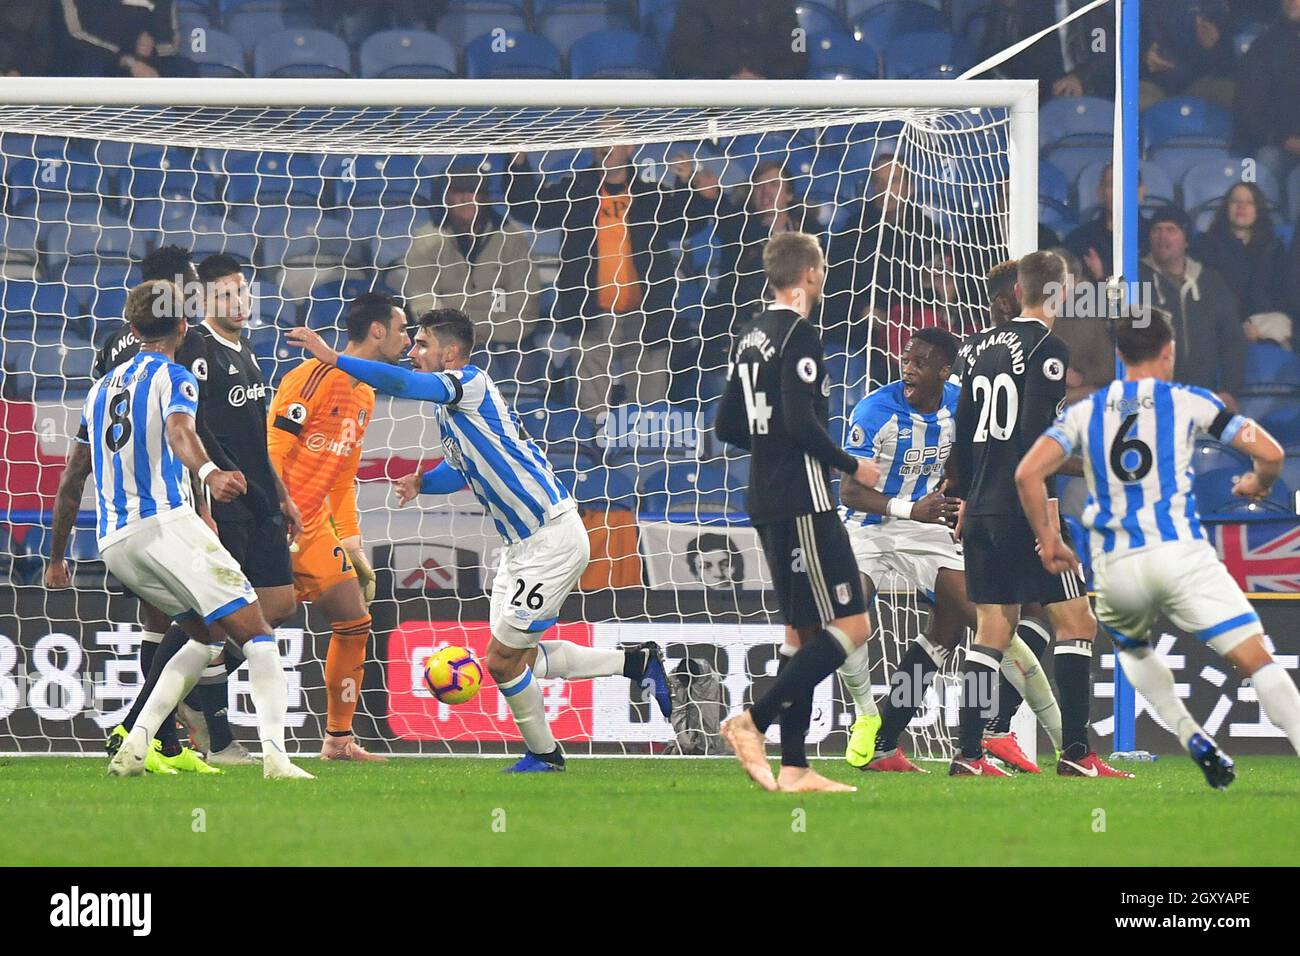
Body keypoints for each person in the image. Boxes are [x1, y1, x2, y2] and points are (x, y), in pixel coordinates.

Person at [286, 309, 673, 773]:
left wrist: (335, 358)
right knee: (517, 657)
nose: (413, 352)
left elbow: (403, 386)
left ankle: (546, 755)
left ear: (449, 353)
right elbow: (460, 469)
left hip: (552, 537)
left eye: (422, 344)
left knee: (502, 661)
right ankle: (637, 662)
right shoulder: (451, 413)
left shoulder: (469, 382)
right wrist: (422, 483)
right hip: (519, 548)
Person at [1016, 308, 1300, 786]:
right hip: (1179, 553)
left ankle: (1190, 732)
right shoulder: (1190, 400)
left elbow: (1027, 472)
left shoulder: (1088, 409)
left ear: (1120, 355)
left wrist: (1048, 542)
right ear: (1168, 351)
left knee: (1133, 648)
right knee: (1256, 659)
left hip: (1116, 566)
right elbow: (1270, 452)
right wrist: (1257, 481)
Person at [92, 280, 311, 780]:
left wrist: (59, 551)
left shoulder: (102, 387)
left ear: (131, 328)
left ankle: (135, 743)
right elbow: (181, 432)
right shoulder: (177, 375)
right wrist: (211, 475)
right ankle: (277, 758)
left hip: (113, 540)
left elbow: (75, 472)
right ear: (185, 326)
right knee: (257, 632)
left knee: (203, 636)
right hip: (168, 525)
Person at [838, 328, 1063, 775]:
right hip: (871, 527)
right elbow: (848, 492)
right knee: (848, 617)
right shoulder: (873, 411)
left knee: (979, 626)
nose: (908, 368)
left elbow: (965, 459)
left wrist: (959, 497)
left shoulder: (959, 404)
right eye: (906, 359)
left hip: (926, 531)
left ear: (944, 370)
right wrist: (910, 508)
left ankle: (1062, 743)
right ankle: (868, 718)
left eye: (920, 362)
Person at [713, 232, 882, 793]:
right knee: (852, 624)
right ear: (810, 274)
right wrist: (851, 465)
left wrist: (770, 449)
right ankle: (752, 721)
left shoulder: (751, 335)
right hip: (804, 500)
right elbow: (800, 420)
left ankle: (795, 767)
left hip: (763, 495)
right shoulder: (799, 334)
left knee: (802, 630)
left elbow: (728, 427)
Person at [950, 251, 1125, 778]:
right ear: (1059, 292)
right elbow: (1034, 445)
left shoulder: (975, 348)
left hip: (980, 509)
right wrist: (1048, 527)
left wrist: (961, 502)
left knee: (993, 629)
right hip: (1026, 513)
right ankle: (1076, 754)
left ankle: (968, 753)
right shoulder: (1049, 349)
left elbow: (961, 435)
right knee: (1077, 623)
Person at [47, 245, 219, 773]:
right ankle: (148, 726)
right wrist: (207, 492)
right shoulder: (184, 344)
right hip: (169, 502)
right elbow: (184, 429)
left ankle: (161, 739)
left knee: (157, 619)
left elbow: (83, 457)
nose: (197, 289)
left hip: (118, 513)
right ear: (172, 292)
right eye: (190, 281)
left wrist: (58, 553)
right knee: (224, 621)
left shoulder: (109, 350)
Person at [266, 293, 405, 762]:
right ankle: (190, 715)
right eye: (402, 330)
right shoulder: (311, 377)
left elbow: (342, 477)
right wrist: (278, 510)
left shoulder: (365, 393)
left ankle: (338, 742)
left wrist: (352, 542)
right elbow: (273, 450)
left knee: (355, 620)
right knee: (245, 628)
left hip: (316, 527)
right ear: (377, 330)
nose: (407, 341)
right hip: (273, 520)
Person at [505, 145, 719, 414]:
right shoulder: (577, 191)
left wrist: (690, 187)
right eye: (600, 140)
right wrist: (519, 162)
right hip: (591, 313)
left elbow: (685, 223)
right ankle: (593, 450)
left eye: (613, 139)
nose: (606, 147)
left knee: (649, 408)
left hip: (646, 316)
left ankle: (645, 454)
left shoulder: (649, 194)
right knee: (592, 409)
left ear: (628, 146)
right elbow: (528, 208)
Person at [404, 166, 542, 384]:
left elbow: (525, 299)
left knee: (521, 368)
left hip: (505, 340)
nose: (465, 199)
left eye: (473, 192)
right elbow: (422, 299)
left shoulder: (511, 238)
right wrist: (452, 337)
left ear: (485, 197)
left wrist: (491, 334)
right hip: (445, 342)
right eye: (457, 192)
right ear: (446, 197)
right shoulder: (426, 240)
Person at [1140, 206, 1246, 407]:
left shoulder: (1211, 281)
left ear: (1186, 239)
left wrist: (1229, 390)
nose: (1163, 236)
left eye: (1171, 230)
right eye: (1157, 230)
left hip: (1203, 397)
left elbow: (1233, 340)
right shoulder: (1134, 278)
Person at [1191, 181, 1292, 323]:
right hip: (1223, 321)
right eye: (1235, 201)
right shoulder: (1205, 245)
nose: (1241, 207)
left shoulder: (1274, 247)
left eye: (1249, 202)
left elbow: (1282, 293)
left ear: (1258, 209)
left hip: (1266, 320)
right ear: (1226, 208)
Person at [976, 0, 1114, 100]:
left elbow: (1103, 50)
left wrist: (1080, 77)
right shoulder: (1024, 11)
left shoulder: (1093, 8)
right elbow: (1000, 60)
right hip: (1039, 99)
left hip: (1091, 95)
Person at [1232, 0, 1300, 181]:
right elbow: (1248, 113)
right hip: (1281, 146)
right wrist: (1285, 140)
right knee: (1268, 161)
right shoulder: (1265, 47)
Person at [665, 0, 806, 80]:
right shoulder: (696, 5)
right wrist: (728, 75)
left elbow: (798, 54)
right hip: (713, 97)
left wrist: (764, 78)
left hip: (772, 96)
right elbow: (682, 55)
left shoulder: (781, 6)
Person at [60, 0, 196, 78]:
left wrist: (152, 46)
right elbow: (76, 35)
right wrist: (129, 61)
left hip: (151, 64)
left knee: (185, 69)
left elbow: (169, 41)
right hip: (102, 62)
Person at [1140, 0, 1234, 108]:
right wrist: (1144, 56)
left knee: (1235, 95)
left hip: (1197, 81)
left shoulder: (1214, 6)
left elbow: (1228, 65)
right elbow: (1120, 40)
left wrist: (1214, 45)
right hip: (1150, 83)